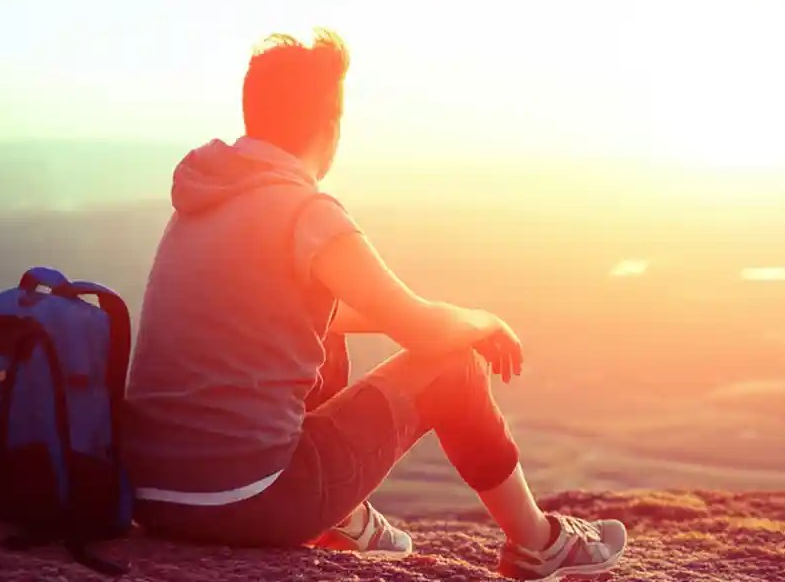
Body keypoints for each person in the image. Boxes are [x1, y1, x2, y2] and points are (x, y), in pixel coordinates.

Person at [122, 29, 627, 580]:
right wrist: (481, 321)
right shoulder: (305, 212)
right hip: (248, 504)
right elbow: (427, 335)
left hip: (152, 498)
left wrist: (428, 323)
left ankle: (345, 518)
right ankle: (538, 543)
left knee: (326, 331)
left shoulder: (204, 199)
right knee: (455, 367)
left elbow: (316, 314)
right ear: (331, 123)